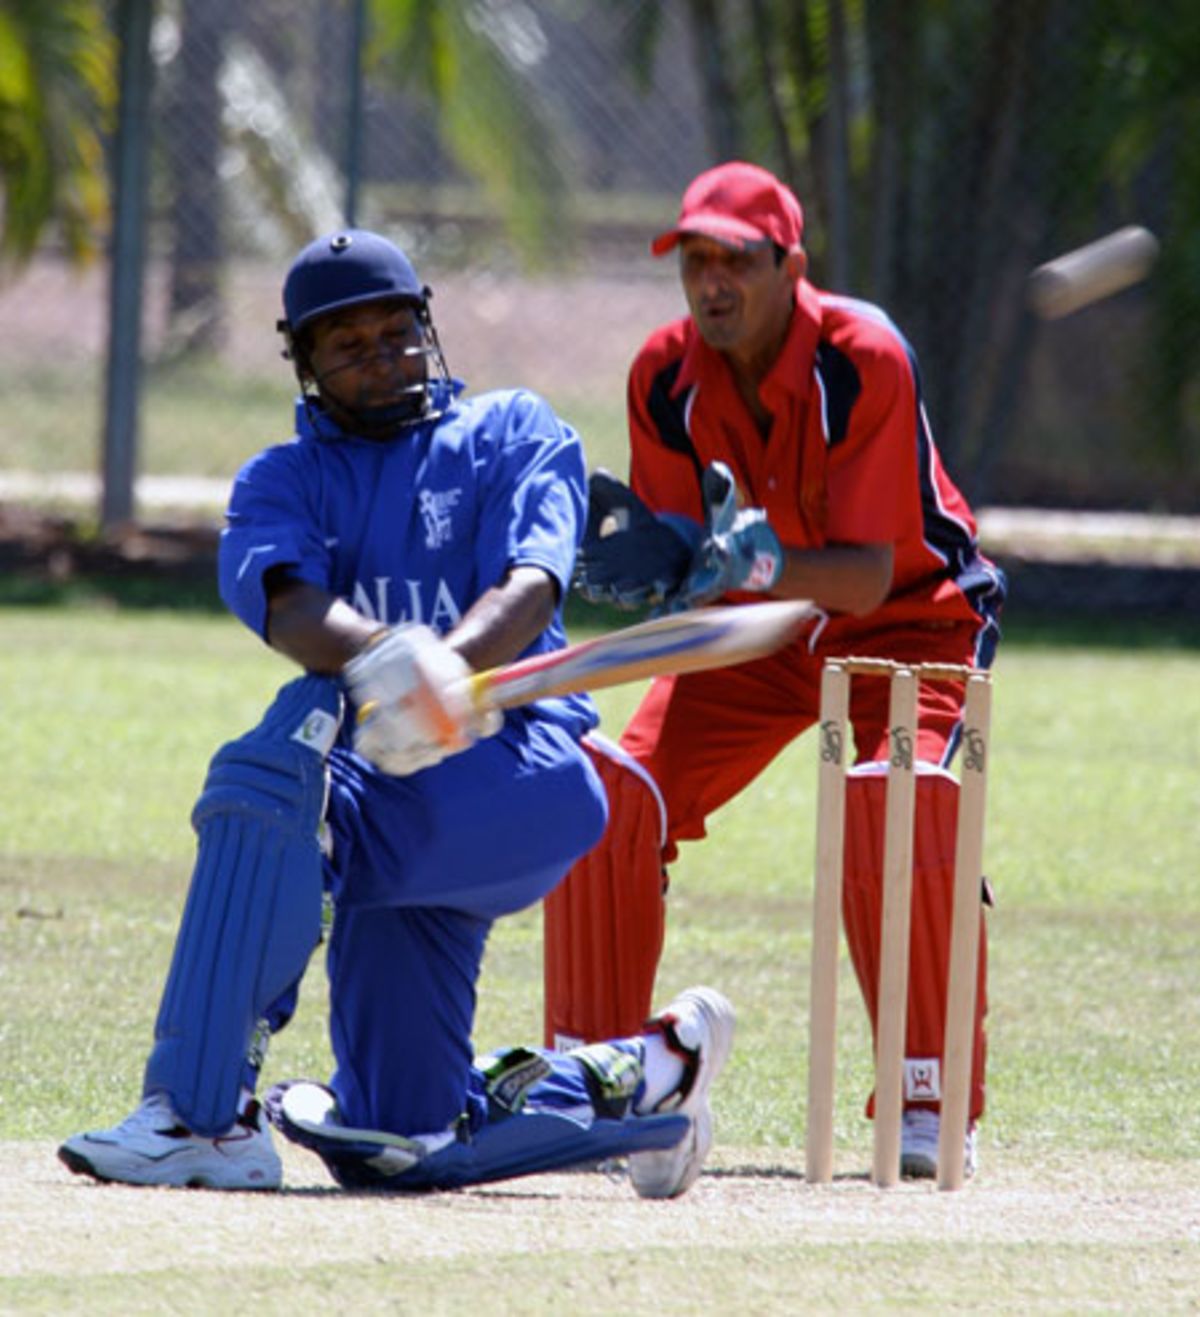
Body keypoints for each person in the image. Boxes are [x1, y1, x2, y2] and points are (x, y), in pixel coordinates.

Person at [57, 228, 735, 1198]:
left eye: (396, 332)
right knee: (395, 1130)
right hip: (386, 795)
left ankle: (200, 1118)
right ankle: (642, 1074)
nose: (382, 358)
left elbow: (534, 584)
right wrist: (384, 659)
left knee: (273, 773)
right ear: (304, 362)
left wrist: (451, 671)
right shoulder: (280, 481)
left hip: (517, 772)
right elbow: (289, 604)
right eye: (349, 345)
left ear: (428, 328)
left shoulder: (512, 432)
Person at [546, 162, 1006, 1179]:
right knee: (608, 794)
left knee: (900, 794)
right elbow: (697, 575)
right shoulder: (664, 375)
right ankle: (594, 1081)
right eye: (695, 262)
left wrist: (741, 561)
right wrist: (665, 576)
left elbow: (864, 576)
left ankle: (929, 1097)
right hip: (757, 638)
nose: (713, 284)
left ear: (791, 267)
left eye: (736, 262)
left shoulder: (863, 357)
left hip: (908, 622)